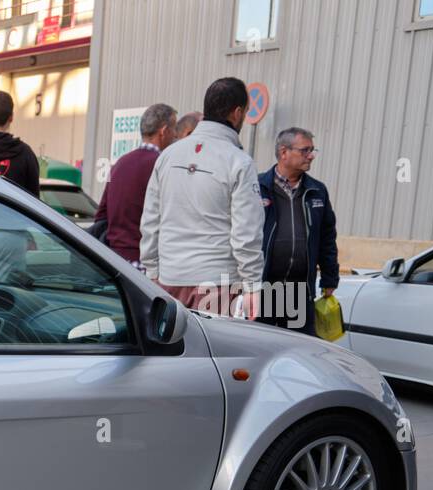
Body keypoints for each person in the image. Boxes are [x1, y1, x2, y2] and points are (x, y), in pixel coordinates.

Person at [139, 77, 265, 320]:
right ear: (237, 113)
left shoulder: (168, 156)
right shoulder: (239, 162)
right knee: (213, 356)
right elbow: (246, 234)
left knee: (172, 354)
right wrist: (252, 286)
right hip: (217, 286)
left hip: (169, 280)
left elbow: (151, 220)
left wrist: (153, 271)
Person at [258, 127, 338, 333]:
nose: (311, 156)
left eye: (312, 150)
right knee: (259, 346)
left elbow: (327, 238)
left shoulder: (317, 191)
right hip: (263, 289)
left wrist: (330, 277)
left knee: (298, 350)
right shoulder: (257, 187)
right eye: (305, 150)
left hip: (300, 291)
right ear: (284, 152)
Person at [93, 102, 176, 264]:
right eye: (174, 129)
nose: (176, 136)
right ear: (164, 131)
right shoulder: (162, 166)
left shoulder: (119, 164)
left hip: (115, 261)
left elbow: (102, 214)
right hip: (146, 263)